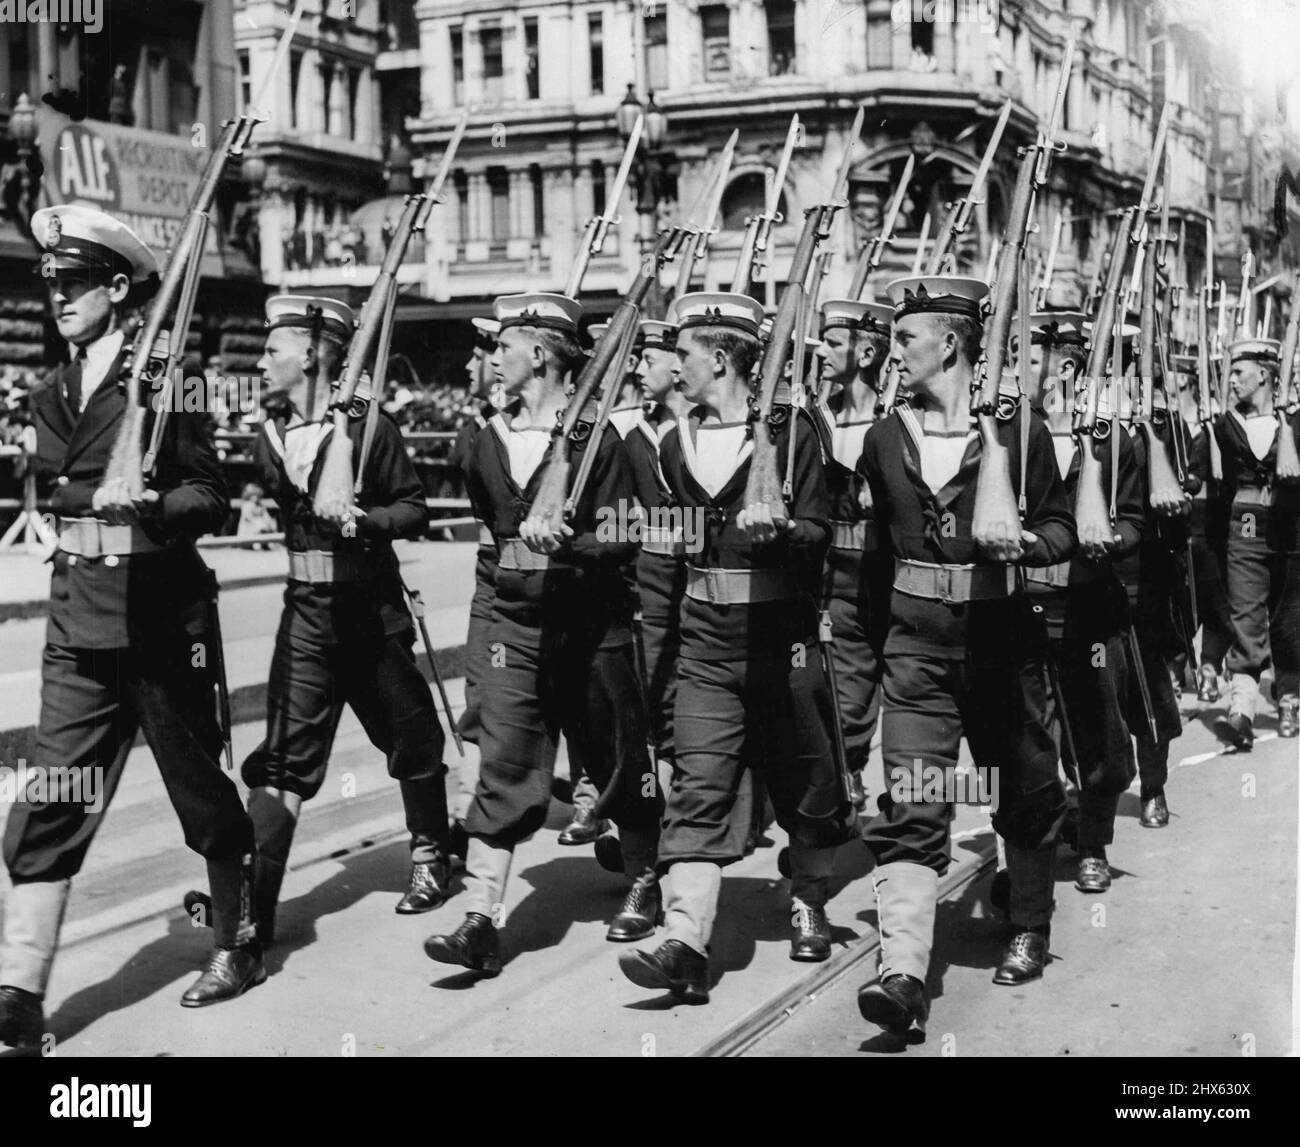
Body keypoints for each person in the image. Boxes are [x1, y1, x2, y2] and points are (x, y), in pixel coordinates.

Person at [0, 205, 261, 1049]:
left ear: (117, 288)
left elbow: (213, 496)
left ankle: (236, 939)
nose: (57, 298)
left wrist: (153, 503)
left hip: (157, 620)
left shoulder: (168, 379)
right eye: (50, 285)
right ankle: (19, 991)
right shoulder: (48, 391)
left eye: (74, 284)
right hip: (78, 625)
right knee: (48, 799)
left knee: (199, 790)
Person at [187, 294, 454, 946]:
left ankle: (431, 855)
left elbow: (415, 509)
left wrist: (365, 521)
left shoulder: (369, 427)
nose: (262, 359)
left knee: (411, 735)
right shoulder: (270, 432)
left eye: (273, 348)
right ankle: (253, 905)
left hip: (369, 611)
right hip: (305, 614)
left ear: (310, 355)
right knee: (283, 759)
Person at [854, 276, 1074, 1040]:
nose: (894, 352)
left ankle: (1030, 922)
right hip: (914, 653)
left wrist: (1030, 543)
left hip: (1000, 644)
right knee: (913, 799)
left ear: (948, 343)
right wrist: (867, 659)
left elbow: (1060, 526)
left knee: (1021, 785)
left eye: (905, 338)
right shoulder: (885, 440)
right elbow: (869, 563)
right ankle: (904, 973)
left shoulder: (1020, 433)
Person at [618, 291, 852, 1005]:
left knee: (802, 776)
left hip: (781, 636)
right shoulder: (670, 442)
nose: (672, 367)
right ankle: (687, 939)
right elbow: (667, 548)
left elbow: (825, 528)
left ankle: (808, 893)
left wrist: (781, 529)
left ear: (719, 357)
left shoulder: (795, 430)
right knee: (699, 780)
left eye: (683, 354)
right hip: (705, 643)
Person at [423, 293, 662, 974]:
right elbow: (491, 529)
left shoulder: (598, 439)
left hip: (592, 623)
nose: (493, 358)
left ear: (542, 355)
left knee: (617, 755)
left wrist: (573, 543)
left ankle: (644, 875)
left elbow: (629, 532)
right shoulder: (483, 438)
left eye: (505, 345)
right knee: (503, 760)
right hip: (516, 623)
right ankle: (480, 916)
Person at [1020, 311, 1146, 893]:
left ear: (1064, 367)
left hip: (1090, 612)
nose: (1021, 365)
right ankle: (1030, 849)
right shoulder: (1015, 439)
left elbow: (1138, 522)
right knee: (1028, 740)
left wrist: (1109, 539)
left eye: (1033, 354)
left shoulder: (1113, 442)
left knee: (1098, 733)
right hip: (1025, 611)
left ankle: (1093, 841)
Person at [814, 298, 894, 808]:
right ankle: (852, 775)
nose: (821, 352)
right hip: (837, 579)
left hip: (895, 574)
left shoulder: (899, 419)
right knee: (846, 693)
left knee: (911, 696)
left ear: (865, 354)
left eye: (833, 343)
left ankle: (919, 803)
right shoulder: (817, 419)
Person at [1213, 338, 1300, 747]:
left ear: (1264, 375)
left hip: (1290, 532)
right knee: (1245, 614)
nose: (1231, 381)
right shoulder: (1226, 424)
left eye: (1239, 373)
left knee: (1287, 621)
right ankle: (1242, 706)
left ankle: (1289, 698)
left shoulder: (1296, 422)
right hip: (1244, 529)